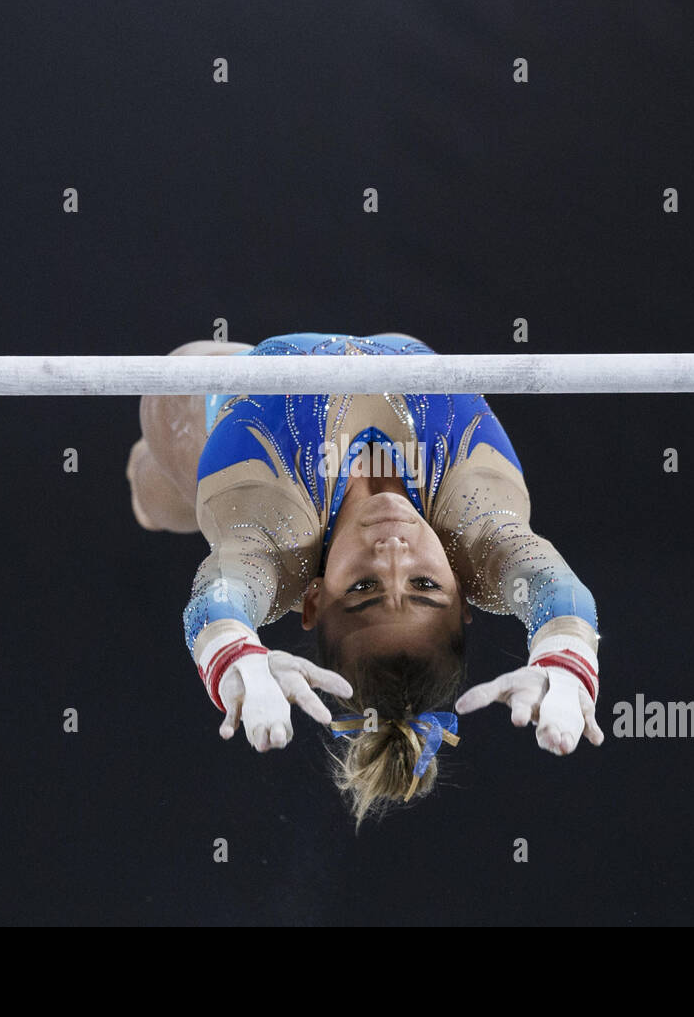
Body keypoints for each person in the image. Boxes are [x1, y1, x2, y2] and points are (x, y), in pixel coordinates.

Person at [127, 332, 603, 826]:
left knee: (154, 494)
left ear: (312, 599)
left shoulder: (275, 533)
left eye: (362, 589)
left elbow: (222, 592)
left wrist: (230, 652)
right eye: (424, 585)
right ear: (462, 591)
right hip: (390, 343)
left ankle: (151, 496)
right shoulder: (478, 528)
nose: (393, 555)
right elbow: (553, 586)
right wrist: (568, 653)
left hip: (198, 412)